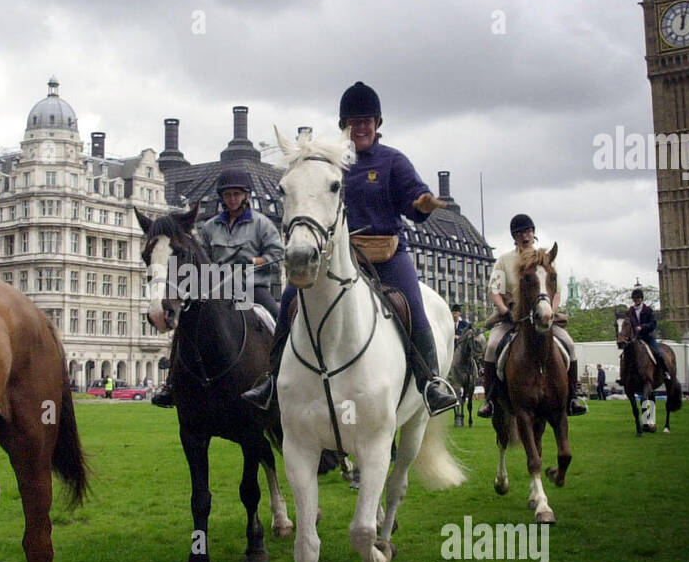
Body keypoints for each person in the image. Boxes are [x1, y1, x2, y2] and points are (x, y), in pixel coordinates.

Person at [243, 81, 458, 415]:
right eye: (353, 121)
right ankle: (272, 379)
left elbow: (413, 198)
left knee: (414, 305)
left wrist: (423, 203)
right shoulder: (332, 161)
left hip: (386, 254)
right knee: (289, 300)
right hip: (338, 255)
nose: (360, 127)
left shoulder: (392, 161)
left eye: (367, 121)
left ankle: (430, 382)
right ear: (344, 126)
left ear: (377, 124)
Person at [152, 168, 284, 408]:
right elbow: (200, 256)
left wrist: (254, 261)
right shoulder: (209, 227)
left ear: (245, 196)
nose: (232, 199)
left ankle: (280, 379)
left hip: (253, 288)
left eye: (236, 194)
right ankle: (171, 383)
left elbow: (277, 254)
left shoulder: (262, 224)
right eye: (228, 195)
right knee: (187, 325)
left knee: (278, 320)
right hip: (218, 289)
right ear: (222, 198)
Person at [477, 214, 586, 418]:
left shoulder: (543, 257)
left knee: (569, 344)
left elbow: (556, 290)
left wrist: (551, 312)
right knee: (491, 347)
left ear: (533, 233)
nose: (525, 236)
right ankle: (490, 400)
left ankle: (573, 396)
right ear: (514, 237)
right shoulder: (504, 260)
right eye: (519, 233)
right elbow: (495, 290)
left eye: (528, 231)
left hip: (541, 318)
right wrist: (504, 311)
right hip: (511, 319)